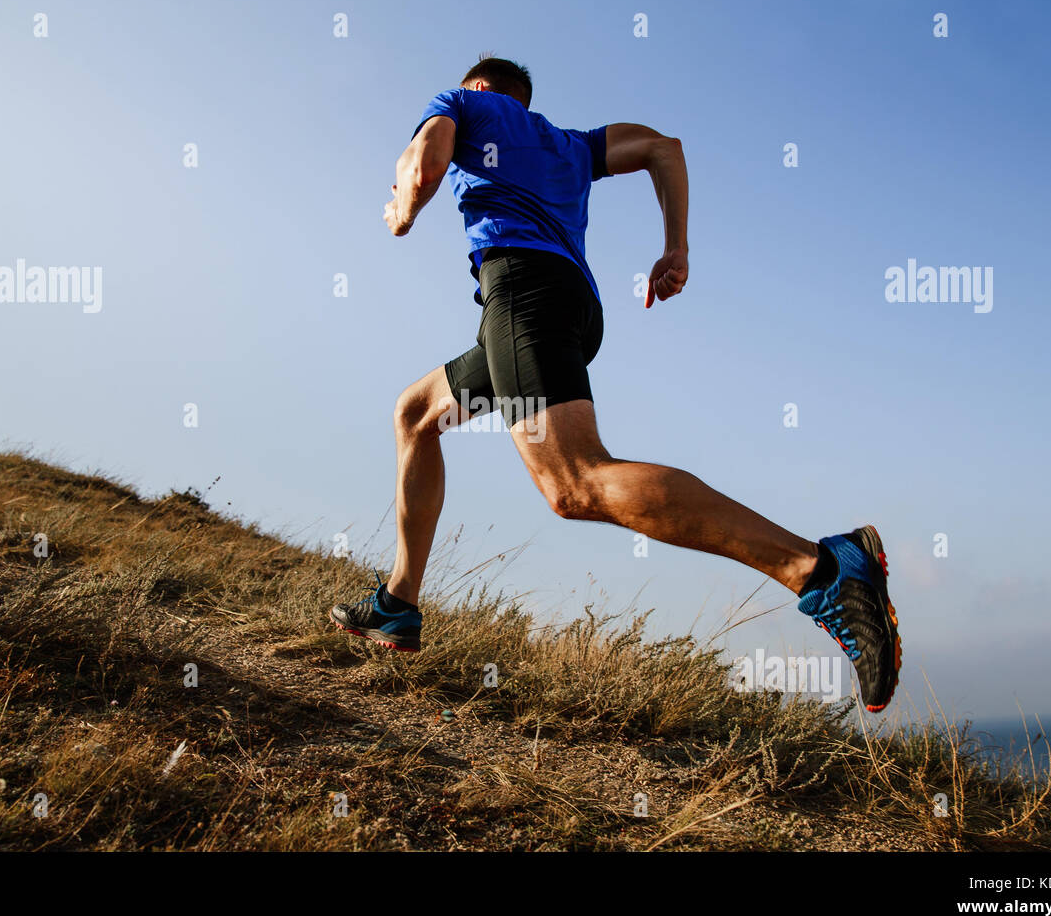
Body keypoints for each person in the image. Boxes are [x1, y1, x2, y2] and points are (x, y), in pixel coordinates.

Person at [331, 56, 901, 711]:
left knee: (572, 482)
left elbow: (423, 163)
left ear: (479, 86)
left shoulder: (462, 103)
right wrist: (676, 246)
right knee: (417, 412)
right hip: (569, 309)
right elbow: (665, 148)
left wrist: (403, 207)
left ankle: (822, 569)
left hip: (523, 298)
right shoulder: (572, 145)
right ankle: (400, 602)